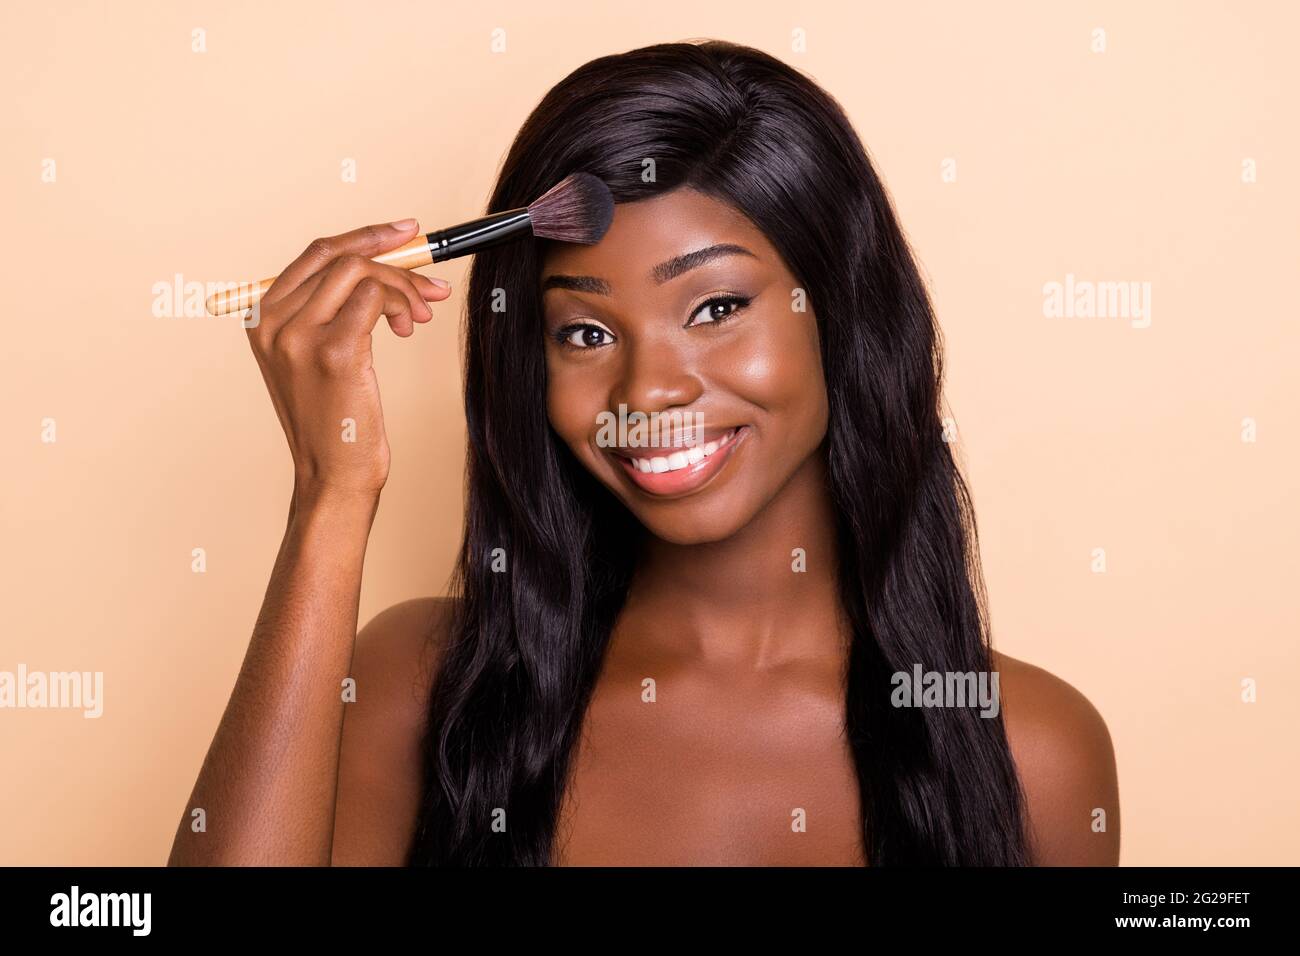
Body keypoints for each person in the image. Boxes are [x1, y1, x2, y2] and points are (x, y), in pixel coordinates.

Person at [168, 39, 1119, 867]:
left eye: (716, 308)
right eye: (583, 332)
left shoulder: (1033, 751)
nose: (648, 391)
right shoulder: (419, 687)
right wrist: (330, 495)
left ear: (840, 313)